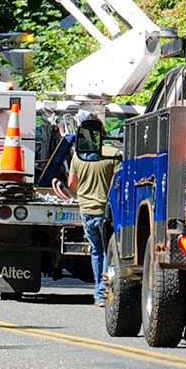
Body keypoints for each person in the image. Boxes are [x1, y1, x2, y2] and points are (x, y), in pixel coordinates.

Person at [57, 113, 118, 306]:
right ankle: (106, 293)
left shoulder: (77, 157)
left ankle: (99, 295)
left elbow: (71, 184)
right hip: (105, 212)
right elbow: (115, 184)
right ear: (102, 132)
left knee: (97, 251)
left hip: (86, 210)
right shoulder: (113, 154)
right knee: (111, 252)